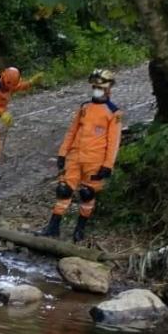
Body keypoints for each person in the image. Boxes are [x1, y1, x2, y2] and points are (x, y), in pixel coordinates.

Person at [37, 69, 122, 242]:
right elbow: (72, 131)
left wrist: (108, 165)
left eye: (99, 87)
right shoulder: (84, 108)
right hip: (75, 156)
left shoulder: (113, 113)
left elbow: (114, 142)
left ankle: (80, 230)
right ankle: (53, 228)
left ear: (107, 89)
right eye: (94, 87)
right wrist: (62, 152)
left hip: (95, 160)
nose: (96, 90)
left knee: (87, 193)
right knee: (63, 190)